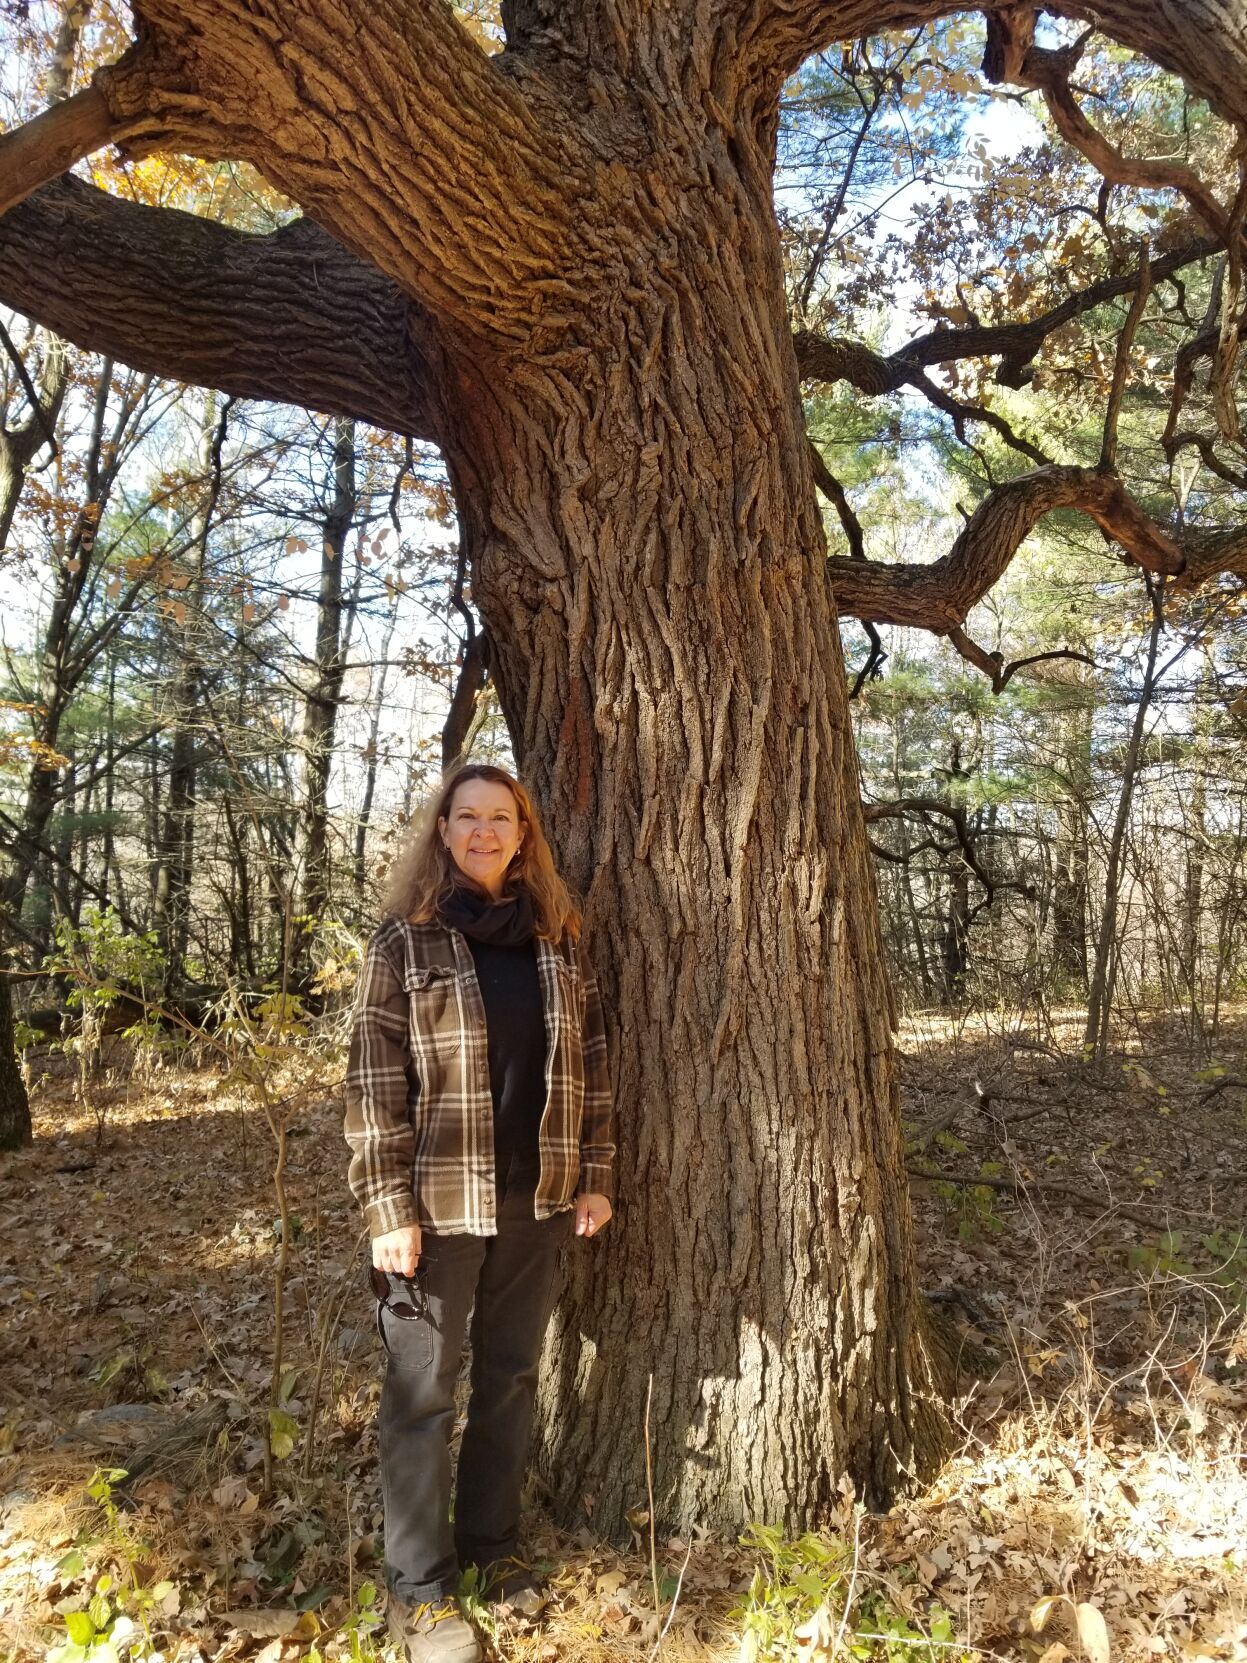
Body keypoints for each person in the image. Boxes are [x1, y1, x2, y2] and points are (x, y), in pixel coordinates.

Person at [344, 762, 615, 1663]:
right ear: (443, 831)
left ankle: (492, 1550)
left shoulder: (556, 941)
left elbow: (595, 1065)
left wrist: (595, 1172)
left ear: (524, 834)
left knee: (509, 1378)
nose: (485, 830)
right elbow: (373, 1086)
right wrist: (387, 1203)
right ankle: (419, 1593)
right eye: (468, 816)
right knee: (421, 1398)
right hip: (434, 1209)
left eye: (502, 817)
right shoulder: (403, 943)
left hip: (536, 1199)